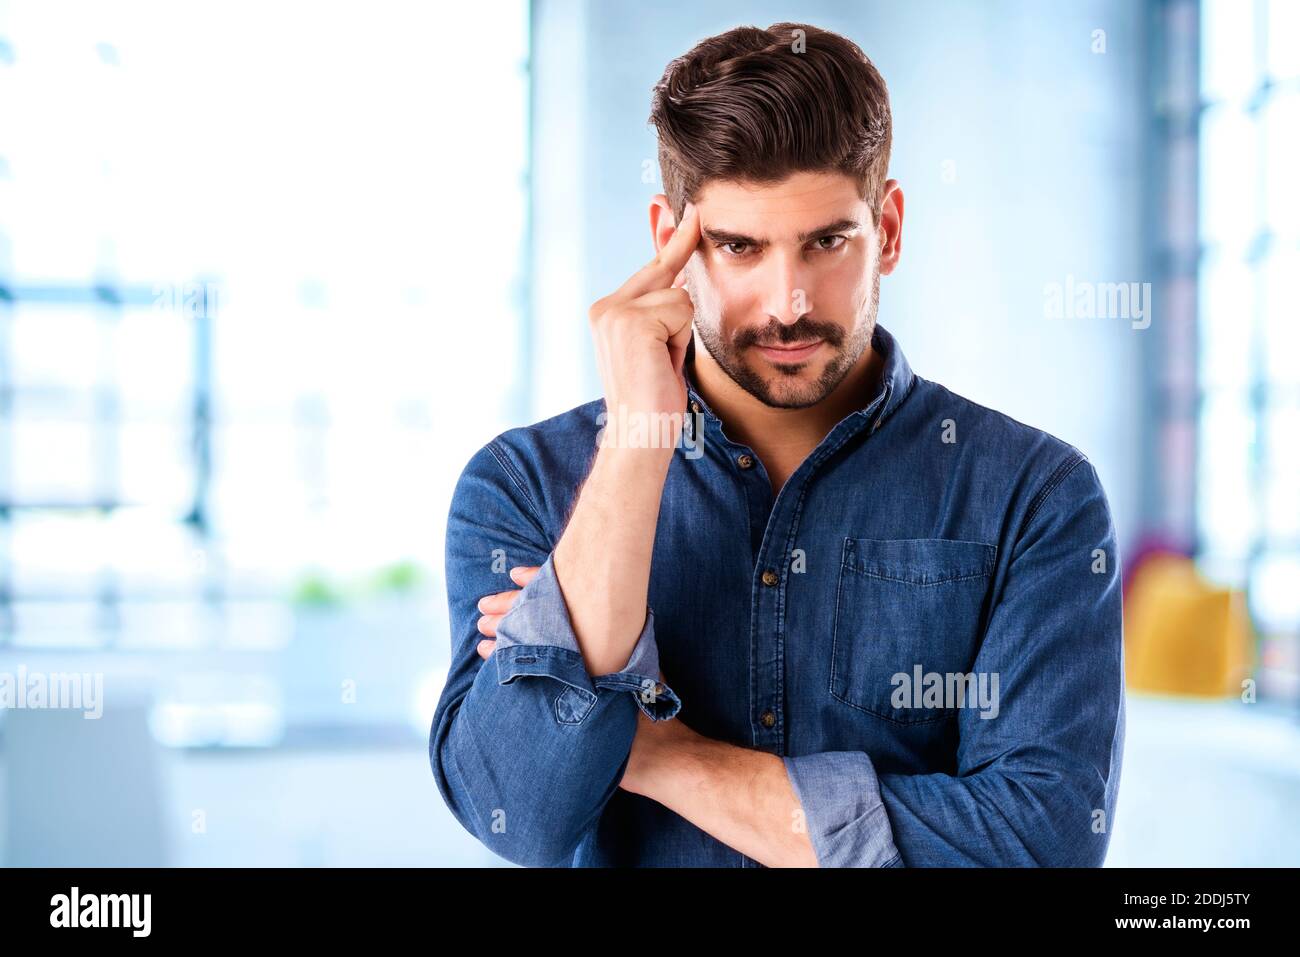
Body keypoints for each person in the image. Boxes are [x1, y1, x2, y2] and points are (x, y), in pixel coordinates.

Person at [428, 21, 1125, 867]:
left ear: (890, 230)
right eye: (739, 246)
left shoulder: (1034, 495)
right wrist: (638, 440)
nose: (788, 300)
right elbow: (517, 810)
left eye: (826, 241)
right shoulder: (524, 485)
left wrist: (652, 747)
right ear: (670, 243)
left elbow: (1037, 844)